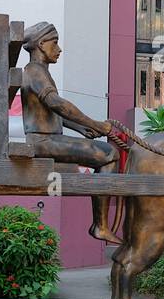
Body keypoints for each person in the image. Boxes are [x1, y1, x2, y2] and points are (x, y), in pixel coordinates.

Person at [19, 21, 125, 244]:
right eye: (55, 43)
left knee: (108, 151)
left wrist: (81, 128)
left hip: (47, 138)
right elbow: (57, 104)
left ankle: (101, 225)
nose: (59, 49)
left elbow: (51, 113)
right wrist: (94, 123)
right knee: (109, 154)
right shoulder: (35, 71)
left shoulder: (37, 72)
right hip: (44, 141)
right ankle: (101, 225)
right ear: (41, 44)